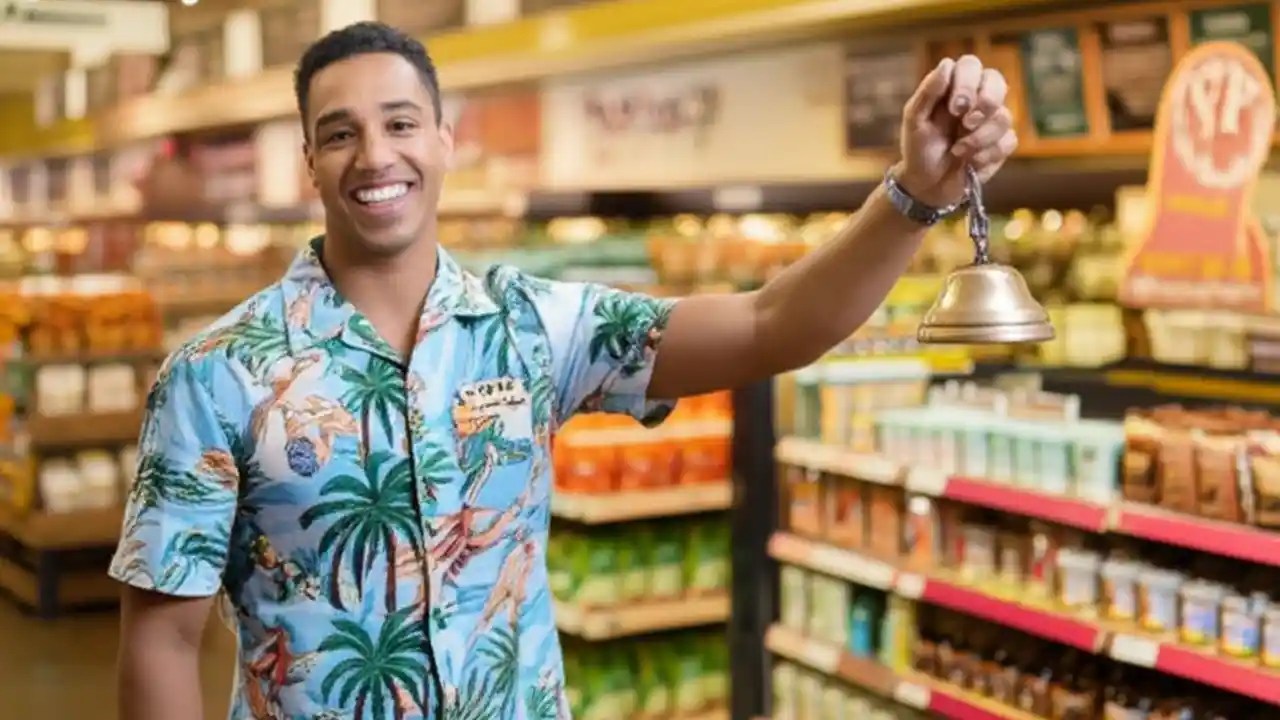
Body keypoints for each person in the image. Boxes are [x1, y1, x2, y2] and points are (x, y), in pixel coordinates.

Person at [112, 20, 1018, 720]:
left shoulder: (535, 327)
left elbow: (767, 326)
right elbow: (163, 639)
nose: (375, 155)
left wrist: (914, 197)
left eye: (400, 124)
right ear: (309, 161)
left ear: (443, 141)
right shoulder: (218, 374)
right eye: (340, 133)